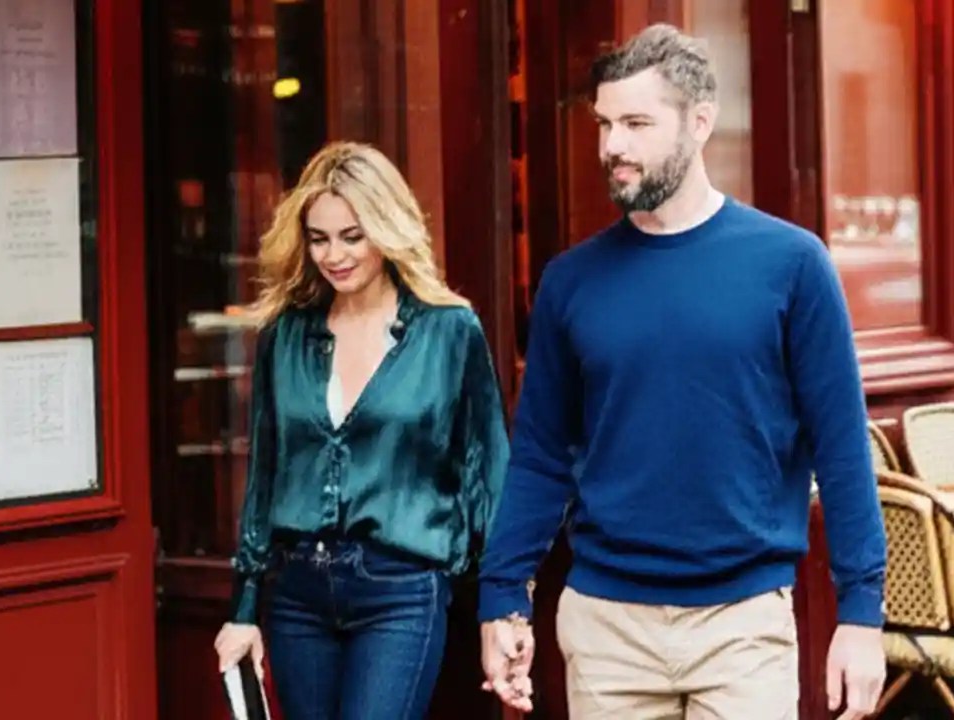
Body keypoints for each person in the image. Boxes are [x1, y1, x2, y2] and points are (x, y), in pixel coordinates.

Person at [476, 23, 888, 720]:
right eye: (605, 124)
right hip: (607, 625)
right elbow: (542, 455)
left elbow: (842, 448)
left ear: (700, 123)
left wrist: (862, 615)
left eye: (636, 123)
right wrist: (503, 592)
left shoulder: (791, 265)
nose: (613, 146)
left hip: (742, 626)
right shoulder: (570, 284)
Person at [214, 141, 509, 720]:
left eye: (353, 235)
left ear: (387, 228)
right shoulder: (286, 334)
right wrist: (244, 607)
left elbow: (487, 472)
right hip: (298, 592)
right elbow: (266, 474)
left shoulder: (449, 330)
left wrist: (502, 603)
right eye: (319, 238)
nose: (334, 255)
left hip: (400, 589)